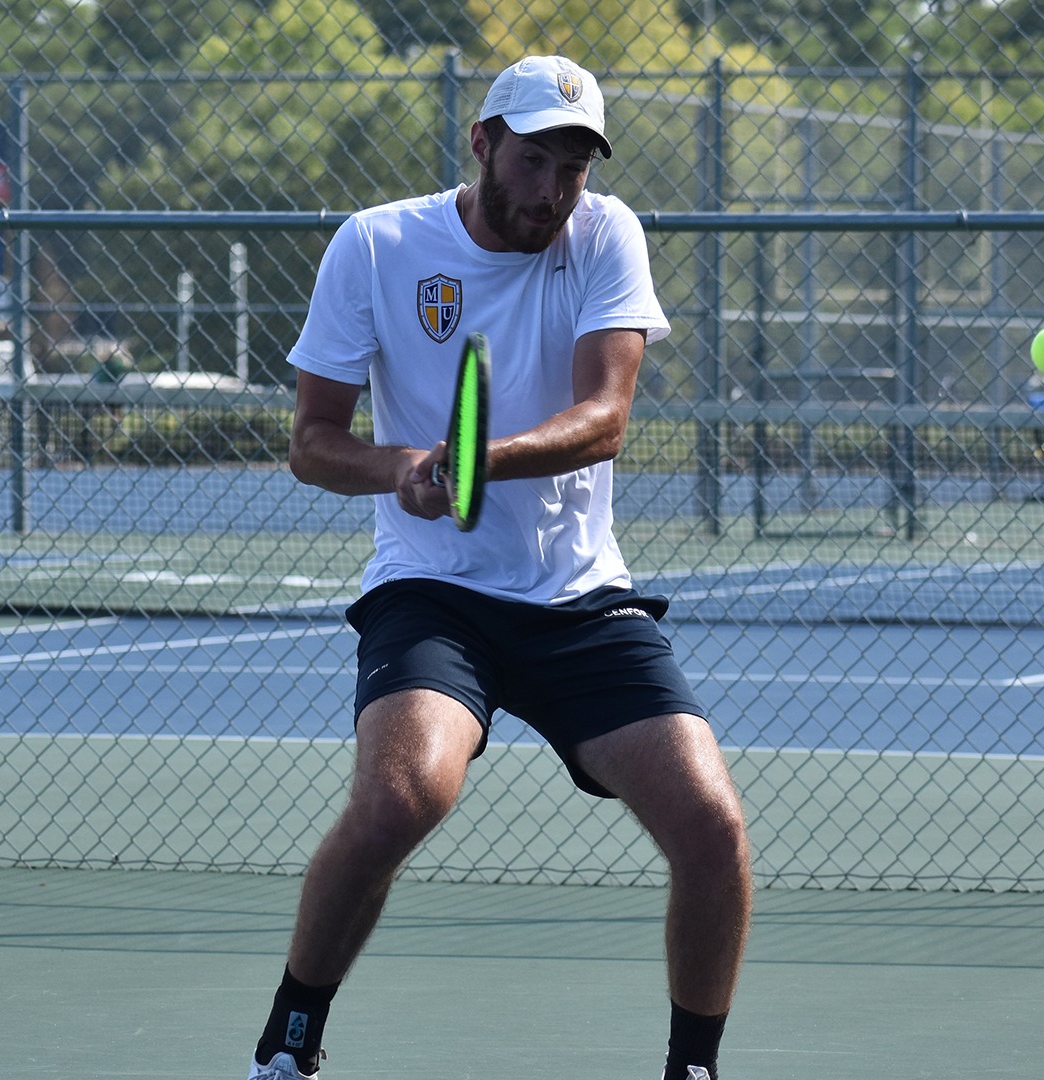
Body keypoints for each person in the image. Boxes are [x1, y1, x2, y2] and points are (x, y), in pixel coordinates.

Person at [248, 55, 753, 1080]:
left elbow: (606, 419)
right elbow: (311, 441)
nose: (553, 188)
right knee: (399, 801)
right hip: (433, 596)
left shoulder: (605, 234)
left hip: (581, 601)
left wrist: (478, 460)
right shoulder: (378, 245)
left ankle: (693, 1071)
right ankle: (287, 1047)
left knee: (711, 826)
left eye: (574, 164)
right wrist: (406, 471)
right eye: (534, 159)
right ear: (481, 143)